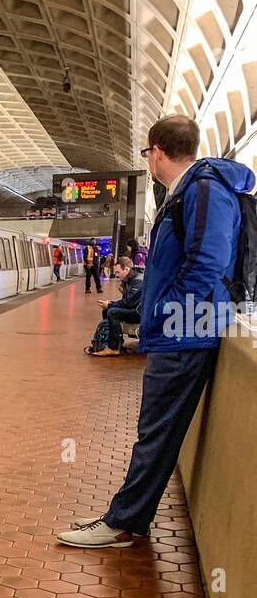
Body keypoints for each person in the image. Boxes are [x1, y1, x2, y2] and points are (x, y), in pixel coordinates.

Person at [59, 114, 255, 548]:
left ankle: (123, 522)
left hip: (187, 332)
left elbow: (207, 261)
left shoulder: (204, 190)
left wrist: (167, 308)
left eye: (147, 153)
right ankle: (126, 516)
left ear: (157, 152)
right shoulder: (190, 192)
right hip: (183, 331)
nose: (148, 161)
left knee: (155, 432)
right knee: (156, 431)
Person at [84, 257, 143, 355]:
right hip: (135, 309)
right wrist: (110, 304)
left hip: (140, 313)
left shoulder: (138, 281)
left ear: (127, 269)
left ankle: (114, 348)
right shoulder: (129, 279)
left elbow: (129, 303)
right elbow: (128, 301)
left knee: (112, 312)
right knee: (107, 310)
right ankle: (110, 341)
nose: (116, 275)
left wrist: (110, 304)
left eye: (118, 272)